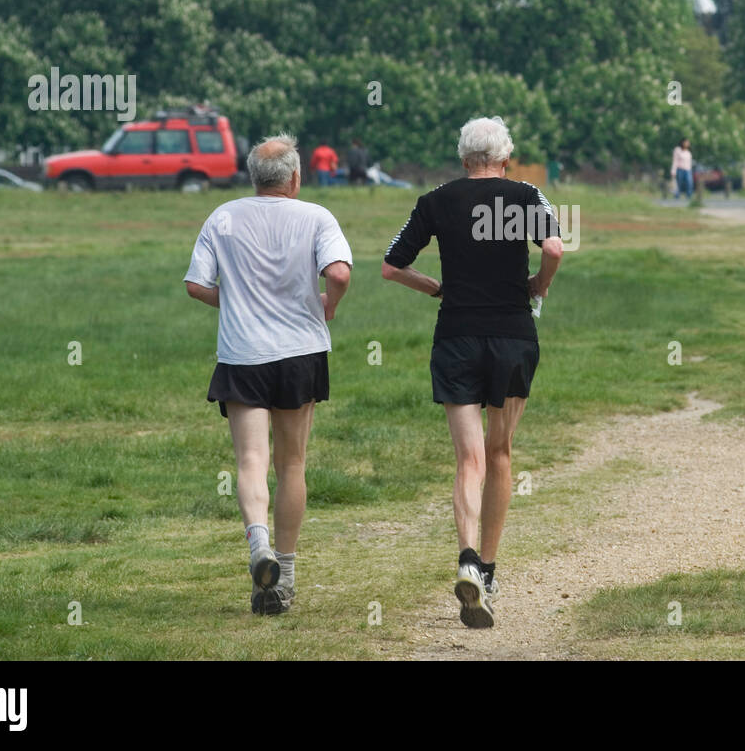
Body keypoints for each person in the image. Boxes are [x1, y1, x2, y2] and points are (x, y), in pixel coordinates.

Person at [381, 116, 563, 629]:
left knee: (469, 459)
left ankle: (465, 559)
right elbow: (553, 248)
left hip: (456, 336)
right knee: (501, 452)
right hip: (511, 336)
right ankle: (488, 567)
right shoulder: (526, 196)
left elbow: (391, 267)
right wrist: (538, 285)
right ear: (506, 159)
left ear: (464, 160)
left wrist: (437, 288)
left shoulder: (436, 200)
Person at [184, 134, 353, 615]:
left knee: (250, 461)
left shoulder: (224, 216)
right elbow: (338, 274)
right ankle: (286, 573)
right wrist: (329, 307)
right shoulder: (316, 216)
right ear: (296, 177)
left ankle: (257, 544)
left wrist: (234, 301)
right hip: (300, 352)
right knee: (292, 464)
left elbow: (197, 284)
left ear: (253, 178)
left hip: (243, 353)